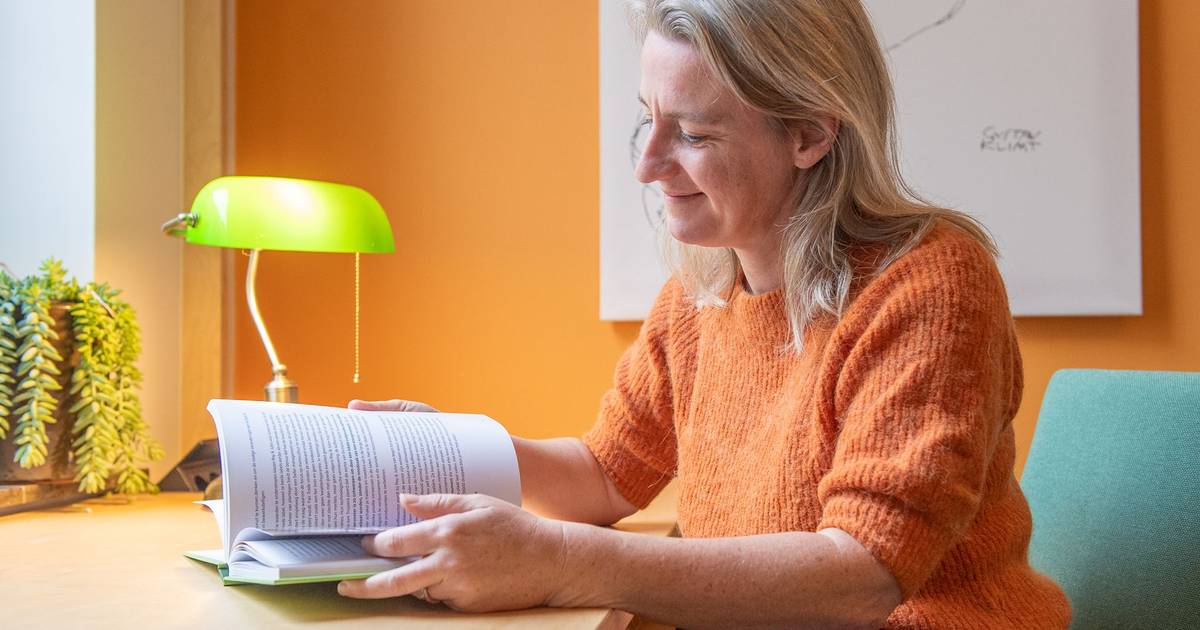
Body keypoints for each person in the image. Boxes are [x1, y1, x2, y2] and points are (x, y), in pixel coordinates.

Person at [337, 0, 1071, 627]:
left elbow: (864, 573)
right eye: (648, 122)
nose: (647, 164)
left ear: (810, 134)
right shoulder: (698, 297)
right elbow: (603, 475)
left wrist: (559, 559)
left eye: (691, 134)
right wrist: (445, 445)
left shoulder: (930, 286)